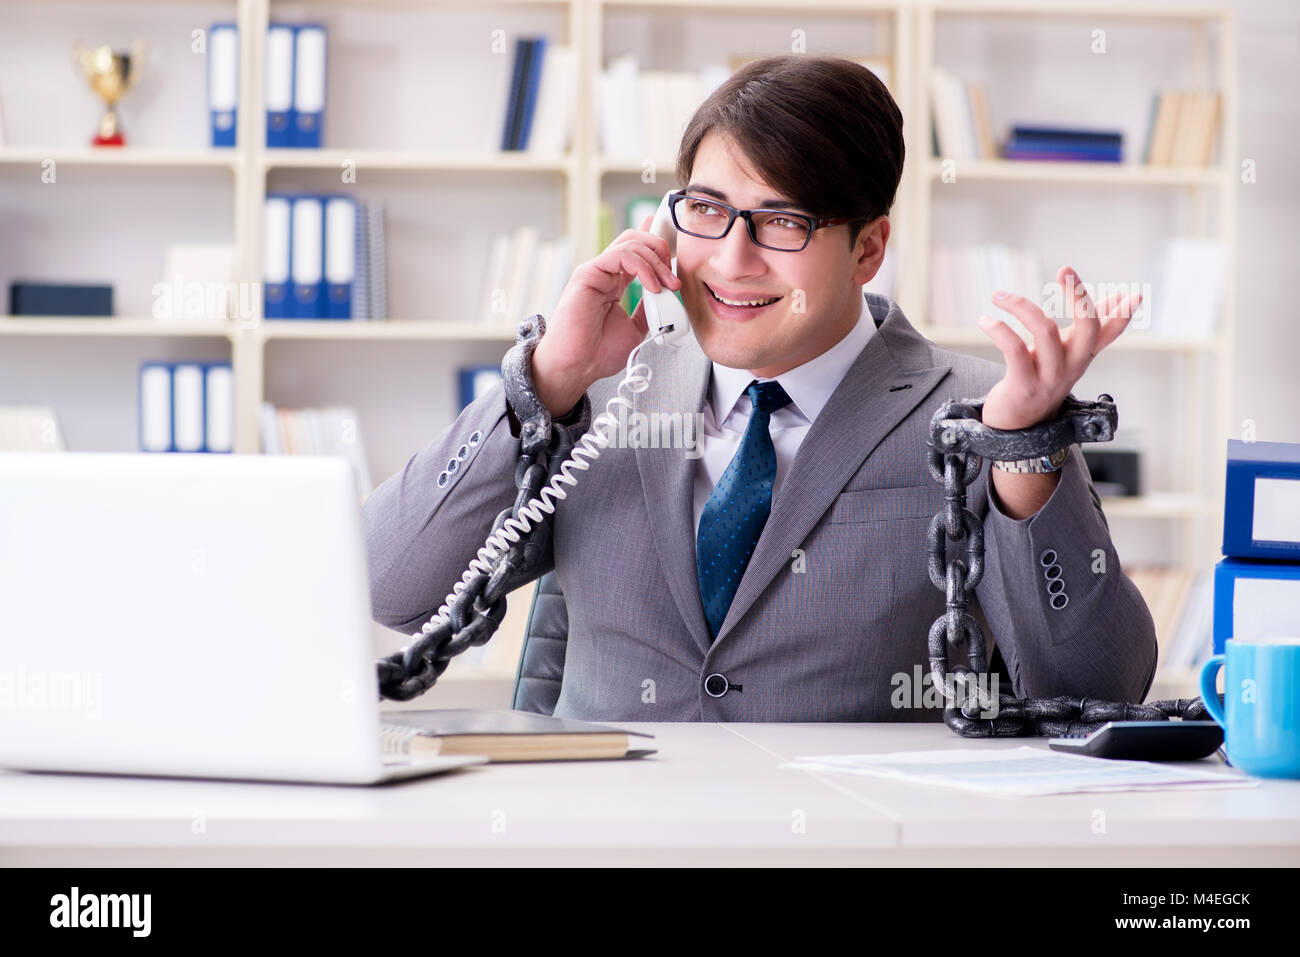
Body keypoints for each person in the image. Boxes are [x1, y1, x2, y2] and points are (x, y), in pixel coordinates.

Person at [363, 54, 1157, 721]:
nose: (734, 260)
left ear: (867, 248)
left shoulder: (991, 414)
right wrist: (548, 376)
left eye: (783, 223)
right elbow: (390, 586)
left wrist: (1023, 454)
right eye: (707, 209)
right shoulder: (598, 396)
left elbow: (1095, 691)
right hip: (605, 835)